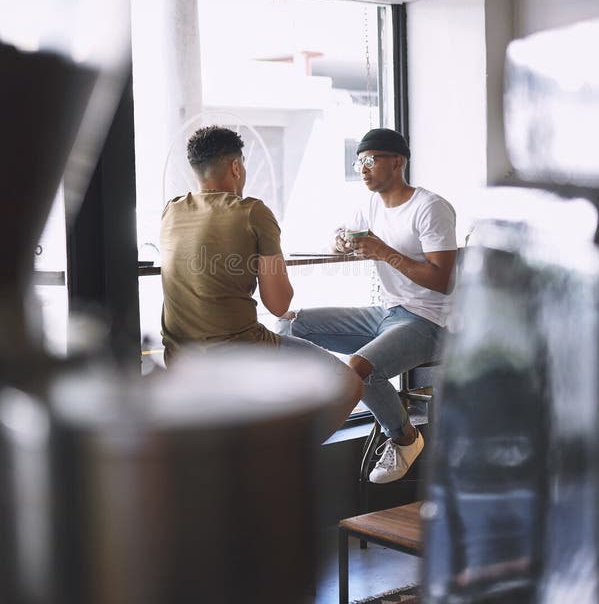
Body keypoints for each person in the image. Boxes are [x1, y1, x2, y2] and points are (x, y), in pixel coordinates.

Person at [278, 128, 457, 483]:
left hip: (428, 321)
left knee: (361, 367)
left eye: (371, 159)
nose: (362, 167)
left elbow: (442, 281)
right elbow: (344, 241)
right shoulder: (370, 206)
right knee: (290, 325)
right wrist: (341, 242)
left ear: (397, 162)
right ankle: (306, 406)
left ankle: (404, 438)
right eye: (359, 160)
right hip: (385, 313)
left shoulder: (430, 207)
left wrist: (384, 253)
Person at [159, 125, 362, 438]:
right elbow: (279, 304)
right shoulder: (252, 212)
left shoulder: (171, 211)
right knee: (348, 384)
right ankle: (292, 461)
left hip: (179, 358)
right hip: (239, 352)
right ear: (236, 167)